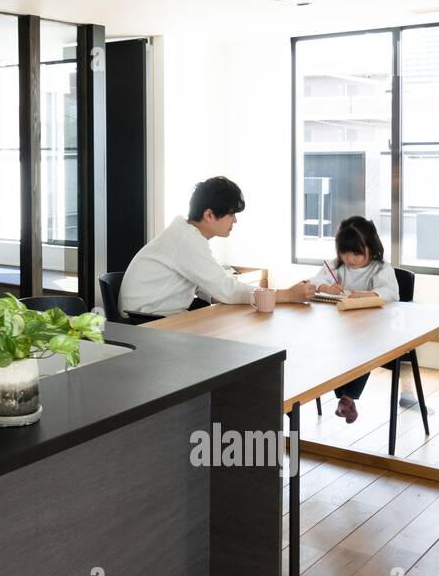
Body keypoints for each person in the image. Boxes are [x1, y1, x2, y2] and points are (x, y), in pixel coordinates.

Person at [119, 176, 314, 317]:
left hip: (154, 316)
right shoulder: (186, 240)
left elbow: (212, 287)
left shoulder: (186, 235)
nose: (235, 221)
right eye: (231, 214)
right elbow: (226, 290)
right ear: (209, 215)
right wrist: (288, 294)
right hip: (145, 322)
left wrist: (220, 293)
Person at [310, 216, 399, 423]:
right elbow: (317, 281)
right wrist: (325, 287)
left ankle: (347, 397)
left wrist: (365, 295)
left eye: (356, 253)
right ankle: (344, 398)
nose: (350, 258)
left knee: (362, 351)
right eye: (344, 252)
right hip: (340, 329)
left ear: (371, 247)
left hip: (371, 331)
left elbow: (391, 293)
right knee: (327, 348)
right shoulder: (336, 266)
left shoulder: (380, 268)